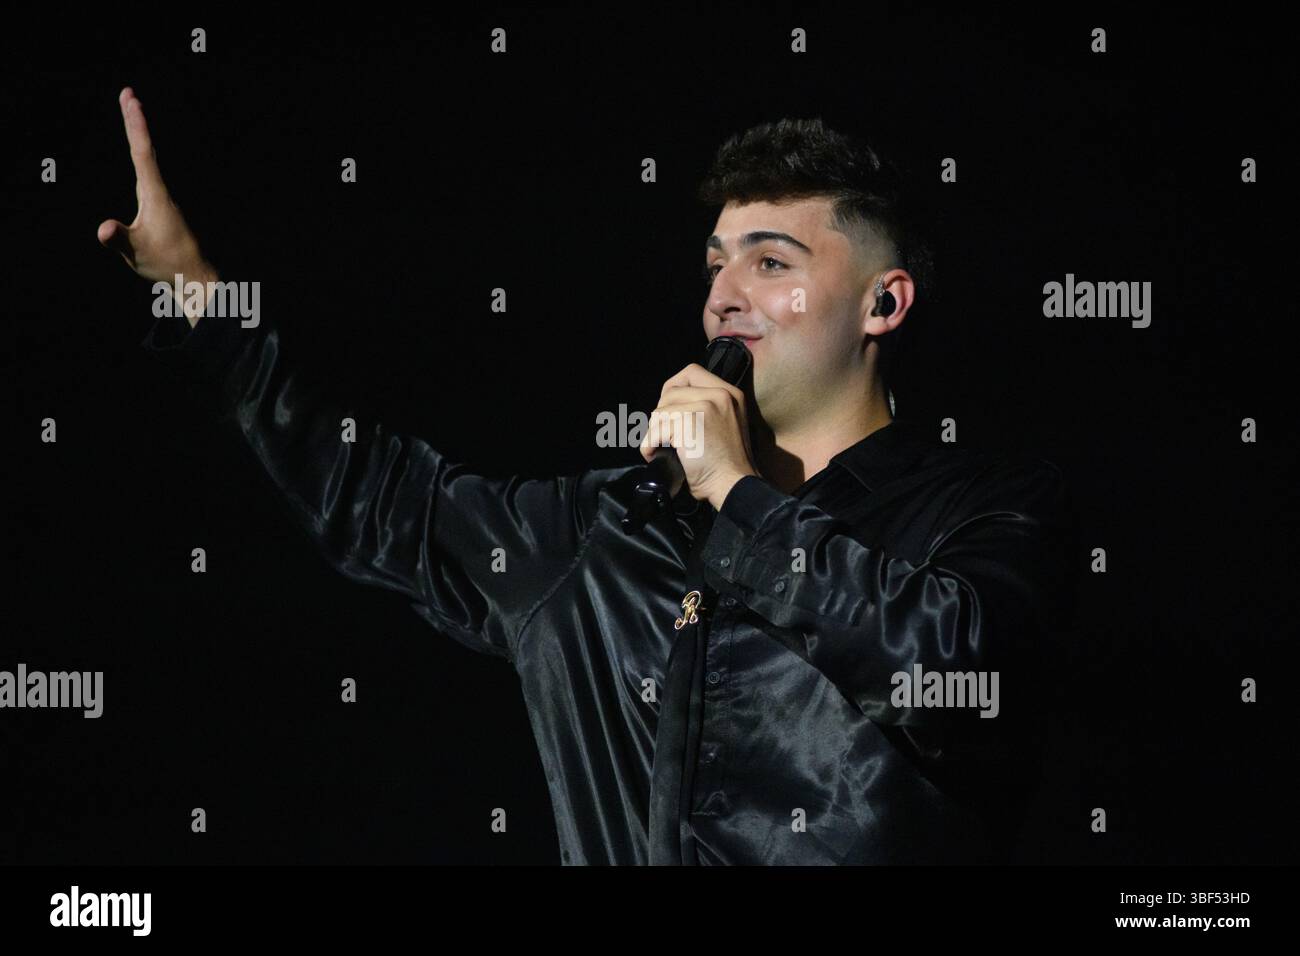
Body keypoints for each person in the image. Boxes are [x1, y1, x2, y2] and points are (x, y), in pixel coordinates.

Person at [101, 87, 1078, 864]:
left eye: (770, 261)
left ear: (883, 302)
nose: (723, 297)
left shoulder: (985, 511)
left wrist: (742, 498)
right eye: (714, 265)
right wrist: (201, 297)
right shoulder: (613, 529)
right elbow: (373, 497)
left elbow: (960, 675)